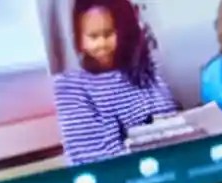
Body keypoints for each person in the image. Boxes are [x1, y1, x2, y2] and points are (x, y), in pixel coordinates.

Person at [53, 0, 179, 166]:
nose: (102, 44)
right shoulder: (71, 87)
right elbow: (97, 158)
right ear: (79, 39)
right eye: (93, 36)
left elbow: (171, 122)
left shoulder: (147, 70)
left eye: (108, 34)